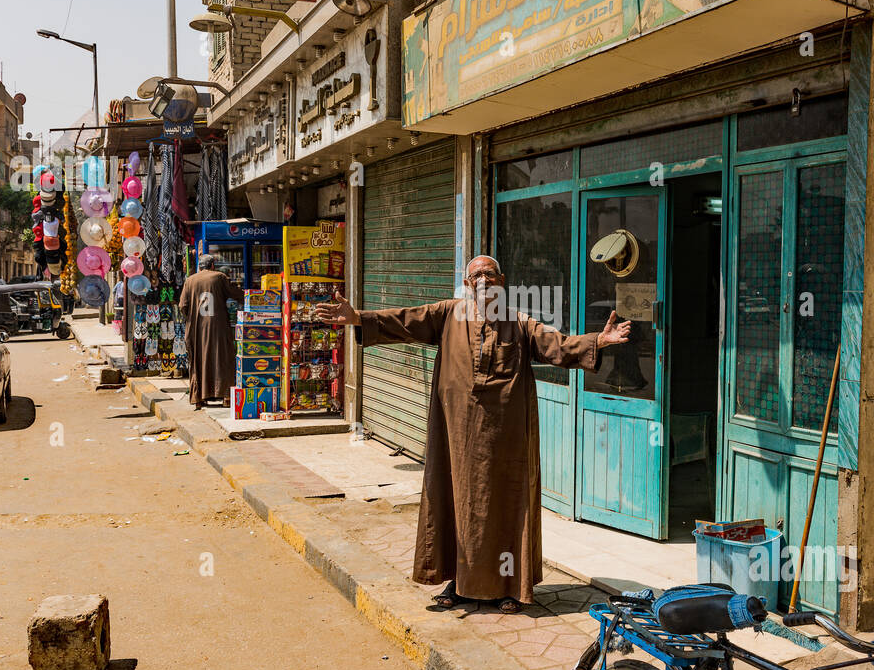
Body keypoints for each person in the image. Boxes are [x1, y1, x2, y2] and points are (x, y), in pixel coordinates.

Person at [315, 255, 632, 613]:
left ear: (501, 280)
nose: (482, 279)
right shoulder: (448, 314)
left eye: (489, 274)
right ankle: (458, 583)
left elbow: (556, 347)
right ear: (467, 285)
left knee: (507, 508)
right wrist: (357, 318)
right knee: (454, 504)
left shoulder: (519, 322)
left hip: (507, 442)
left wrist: (599, 342)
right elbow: (404, 321)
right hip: (457, 439)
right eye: (475, 275)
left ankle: (511, 586)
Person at [178, 253, 244, 410]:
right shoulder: (219, 277)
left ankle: (199, 398)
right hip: (218, 327)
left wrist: (193, 318)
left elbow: (182, 306)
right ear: (213, 265)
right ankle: (227, 396)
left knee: (198, 360)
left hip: (196, 329)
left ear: (200, 266)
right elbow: (237, 294)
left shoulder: (190, 281)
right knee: (222, 358)